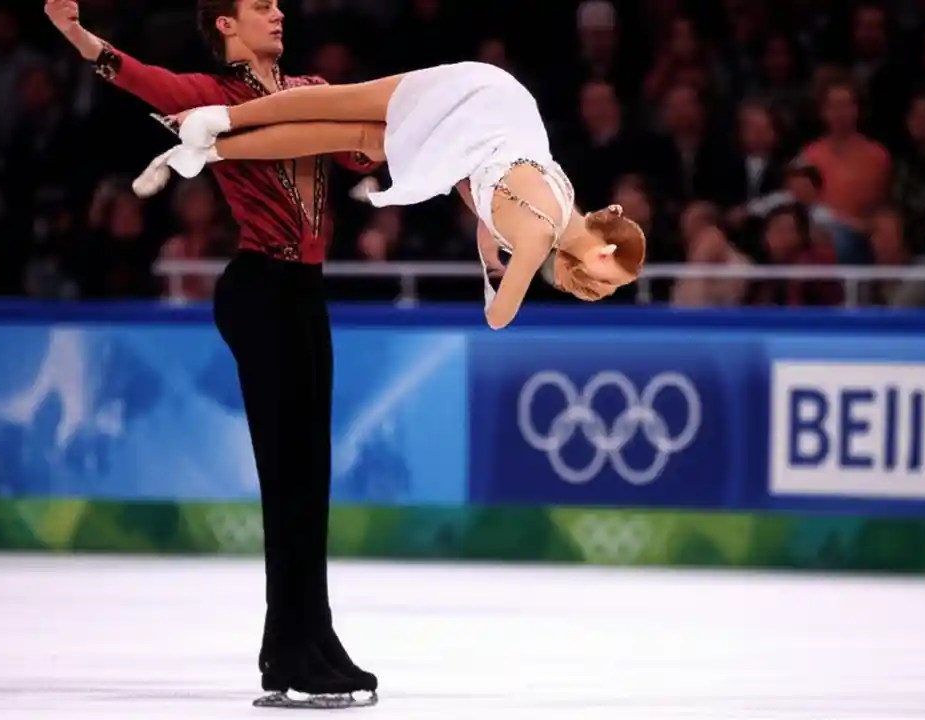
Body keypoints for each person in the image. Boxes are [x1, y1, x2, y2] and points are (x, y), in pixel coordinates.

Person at [44, 0, 381, 709]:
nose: (279, 12)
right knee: (287, 476)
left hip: (303, 294)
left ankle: (308, 640)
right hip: (260, 289)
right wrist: (78, 34)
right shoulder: (214, 96)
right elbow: (137, 77)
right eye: (262, 5)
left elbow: (367, 148)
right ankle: (291, 650)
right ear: (227, 24)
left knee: (309, 476)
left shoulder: (312, 90)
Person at [147, 60, 648, 329]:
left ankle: (213, 148)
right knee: (348, 104)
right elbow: (497, 320)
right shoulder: (541, 235)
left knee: (361, 135)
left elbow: (492, 201)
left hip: (492, 125)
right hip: (480, 103)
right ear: (605, 251)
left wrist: (492, 260)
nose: (604, 290)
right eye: (612, 280)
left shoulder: (561, 206)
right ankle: (220, 119)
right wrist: (504, 282)